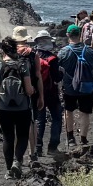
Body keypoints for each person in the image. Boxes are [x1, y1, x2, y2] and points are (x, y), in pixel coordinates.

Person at [0, 30, 37, 178]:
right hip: (22, 107)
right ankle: (18, 161)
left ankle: (9, 170)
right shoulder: (23, 65)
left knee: (8, 137)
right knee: (22, 136)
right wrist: (33, 90)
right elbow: (28, 90)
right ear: (15, 49)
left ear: (2, 50)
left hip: (3, 107)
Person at [56, 22, 93, 149]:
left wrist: (57, 85)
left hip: (69, 88)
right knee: (85, 113)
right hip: (87, 87)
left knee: (68, 111)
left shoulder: (63, 52)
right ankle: (83, 139)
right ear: (80, 35)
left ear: (68, 35)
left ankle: (70, 138)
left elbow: (57, 71)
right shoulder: (90, 51)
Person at [29, 28, 63, 164]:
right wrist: (61, 73)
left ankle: (38, 147)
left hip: (37, 93)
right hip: (52, 93)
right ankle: (52, 147)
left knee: (40, 120)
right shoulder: (53, 59)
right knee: (56, 118)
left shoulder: (33, 56)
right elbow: (57, 78)